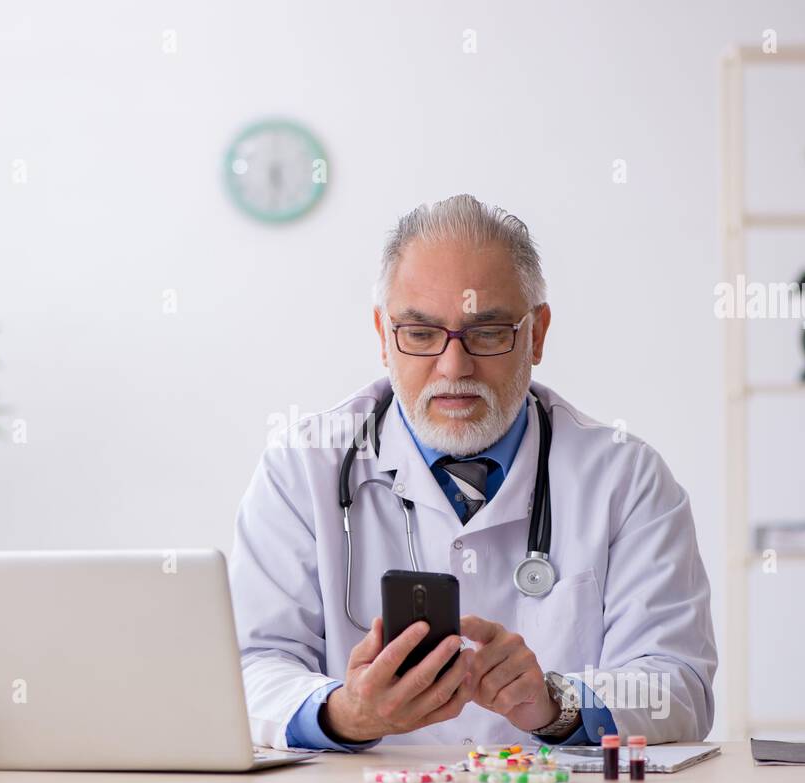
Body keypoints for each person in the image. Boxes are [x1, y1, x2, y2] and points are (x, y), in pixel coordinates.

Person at [229, 194, 717, 751]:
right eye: (419, 333)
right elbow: (247, 671)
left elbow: (680, 686)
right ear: (382, 335)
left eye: (486, 333)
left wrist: (558, 703)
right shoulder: (304, 465)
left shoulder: (626, 478)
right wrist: (346, 713)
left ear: (537, 335)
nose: (453, 367)